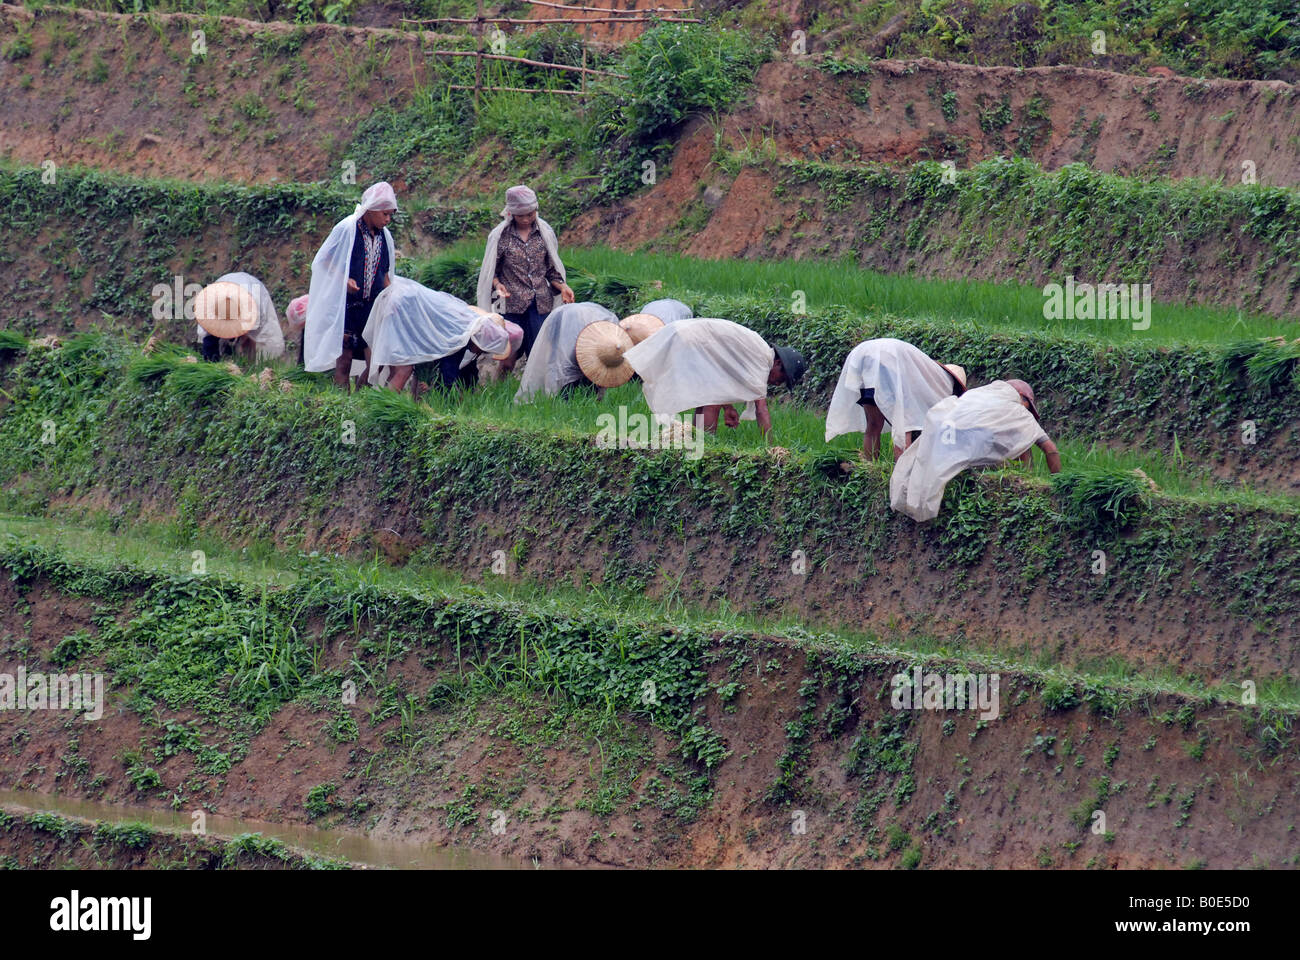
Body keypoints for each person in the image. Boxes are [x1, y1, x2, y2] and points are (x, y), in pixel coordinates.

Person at [890, 378, 1062, 521]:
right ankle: (1025, 481)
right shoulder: (1017, 411)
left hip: (944, 436)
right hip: (973, 451)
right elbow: (1051, 450)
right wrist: (1057, 485)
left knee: (1022, 439)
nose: (1027, 411)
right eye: (1028, 406)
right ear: (1022, 397)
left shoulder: (974, 395)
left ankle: (1022, 477)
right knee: (1023, 436)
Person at [622, 317, 806, 438]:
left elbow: (720, 378)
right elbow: (761, 409)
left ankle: (697, 441)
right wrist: (772, 447)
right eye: (781, 379)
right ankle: (705, 444)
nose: (777, 383)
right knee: (711, 400)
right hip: (690, 340)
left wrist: (728, 408)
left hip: (684, 334)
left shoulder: (758, 353)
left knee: (709, 397)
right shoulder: (761, 361)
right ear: (779, 364)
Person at [303, 182, 398, 388]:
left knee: (375, 364)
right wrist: (342, 279)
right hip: (346, 306)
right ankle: (341, 406)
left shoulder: (385, 237)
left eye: (391, 215)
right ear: (371, 210)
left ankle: (361, 398)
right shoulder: (348, 228)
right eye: (385, 214)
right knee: (344, 361)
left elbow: (385, 273)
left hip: (372, 307)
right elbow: (324, 260)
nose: (388, 219)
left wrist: (392, 297)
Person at [361, 277, 518, 394]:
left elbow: (463, 376)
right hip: (402, 307)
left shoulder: (463, 322)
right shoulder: (460, 336)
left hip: (400, 299)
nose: (482, 353)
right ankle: (382, 412)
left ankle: (360, 400)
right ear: (480, 341)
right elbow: (447, 377)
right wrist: (452, 400)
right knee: (403, 370)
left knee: (386, 364)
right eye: (483, 349)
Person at [477, 185, 574, 371]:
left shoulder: (544, 234)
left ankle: (537, 393)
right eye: (522, 215)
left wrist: (562, 287)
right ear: (511, 213)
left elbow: (551, 271)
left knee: (539, 354)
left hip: (540, 305)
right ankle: (501, 388)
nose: (527, 218)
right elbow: (491, 271)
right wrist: (498, 285)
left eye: (531, 213)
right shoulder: (501, 237)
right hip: (510, 304)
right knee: (507, 356)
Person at [825, 338, 966, 459]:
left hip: (861, 354)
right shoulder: (940, 385)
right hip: (886, 358)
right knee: (904, 424)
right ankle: (901, 473)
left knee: (873, 424)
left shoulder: (923, 371)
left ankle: (869, 466)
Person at [514, 302, 621, 402]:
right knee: (565, 370)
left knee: (562, 369)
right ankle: (562, 400)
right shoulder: (603, 334)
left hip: (578, 330)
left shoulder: (607, 334)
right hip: (570, 328)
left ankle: (561, 399)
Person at [195, 273, 286, 363]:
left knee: (253, 341)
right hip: (225, 289)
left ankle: (250, 365)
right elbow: (208, 340)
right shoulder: (211, 310)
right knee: (211, 343)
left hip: (252, 290)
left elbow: (252, 332)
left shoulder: (253, 307)